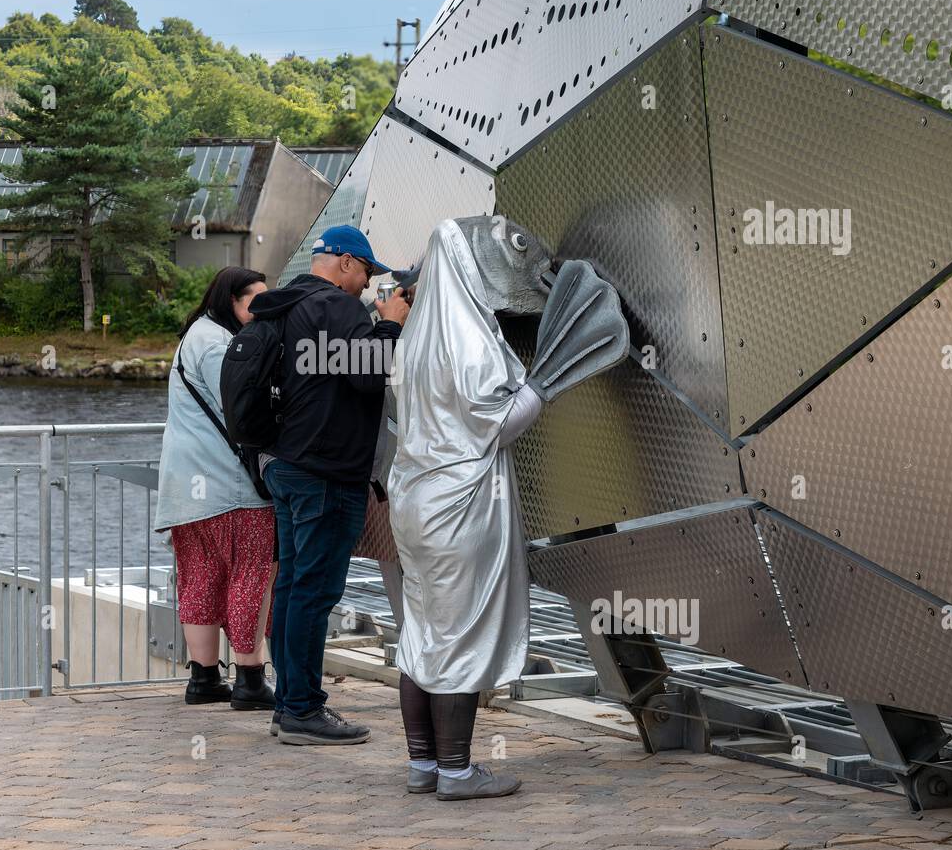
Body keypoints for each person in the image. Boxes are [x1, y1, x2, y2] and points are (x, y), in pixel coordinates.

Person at [388, 217, 628, 800]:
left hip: (415, 500)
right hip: (460, 509)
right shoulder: (468, 339)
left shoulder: (418, 336)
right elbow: (497, 424)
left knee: (421, 635)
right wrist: (542, 387)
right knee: (459, 638)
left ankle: (424, 764)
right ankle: (457, 770)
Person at [248, 225, 410, 745]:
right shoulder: (337, 307)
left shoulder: (284, 304)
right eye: (365, 271)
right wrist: (389, 325)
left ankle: (289, 703)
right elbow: (368, 372)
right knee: (315, 593)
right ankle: (302, 710)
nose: (367, 284)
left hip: (286, 464)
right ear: (343, 262)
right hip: (325, 470)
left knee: (294, 587)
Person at [155, 267, 277, 710]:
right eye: (255, 301)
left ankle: (204, 679)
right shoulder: (221, 345)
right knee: (252, 574)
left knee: (200, 578)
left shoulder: (195, 335)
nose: (264, 310)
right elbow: (240, 407)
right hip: (230, 488)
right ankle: (249, 679)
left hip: (184, 491)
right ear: (231, 300)